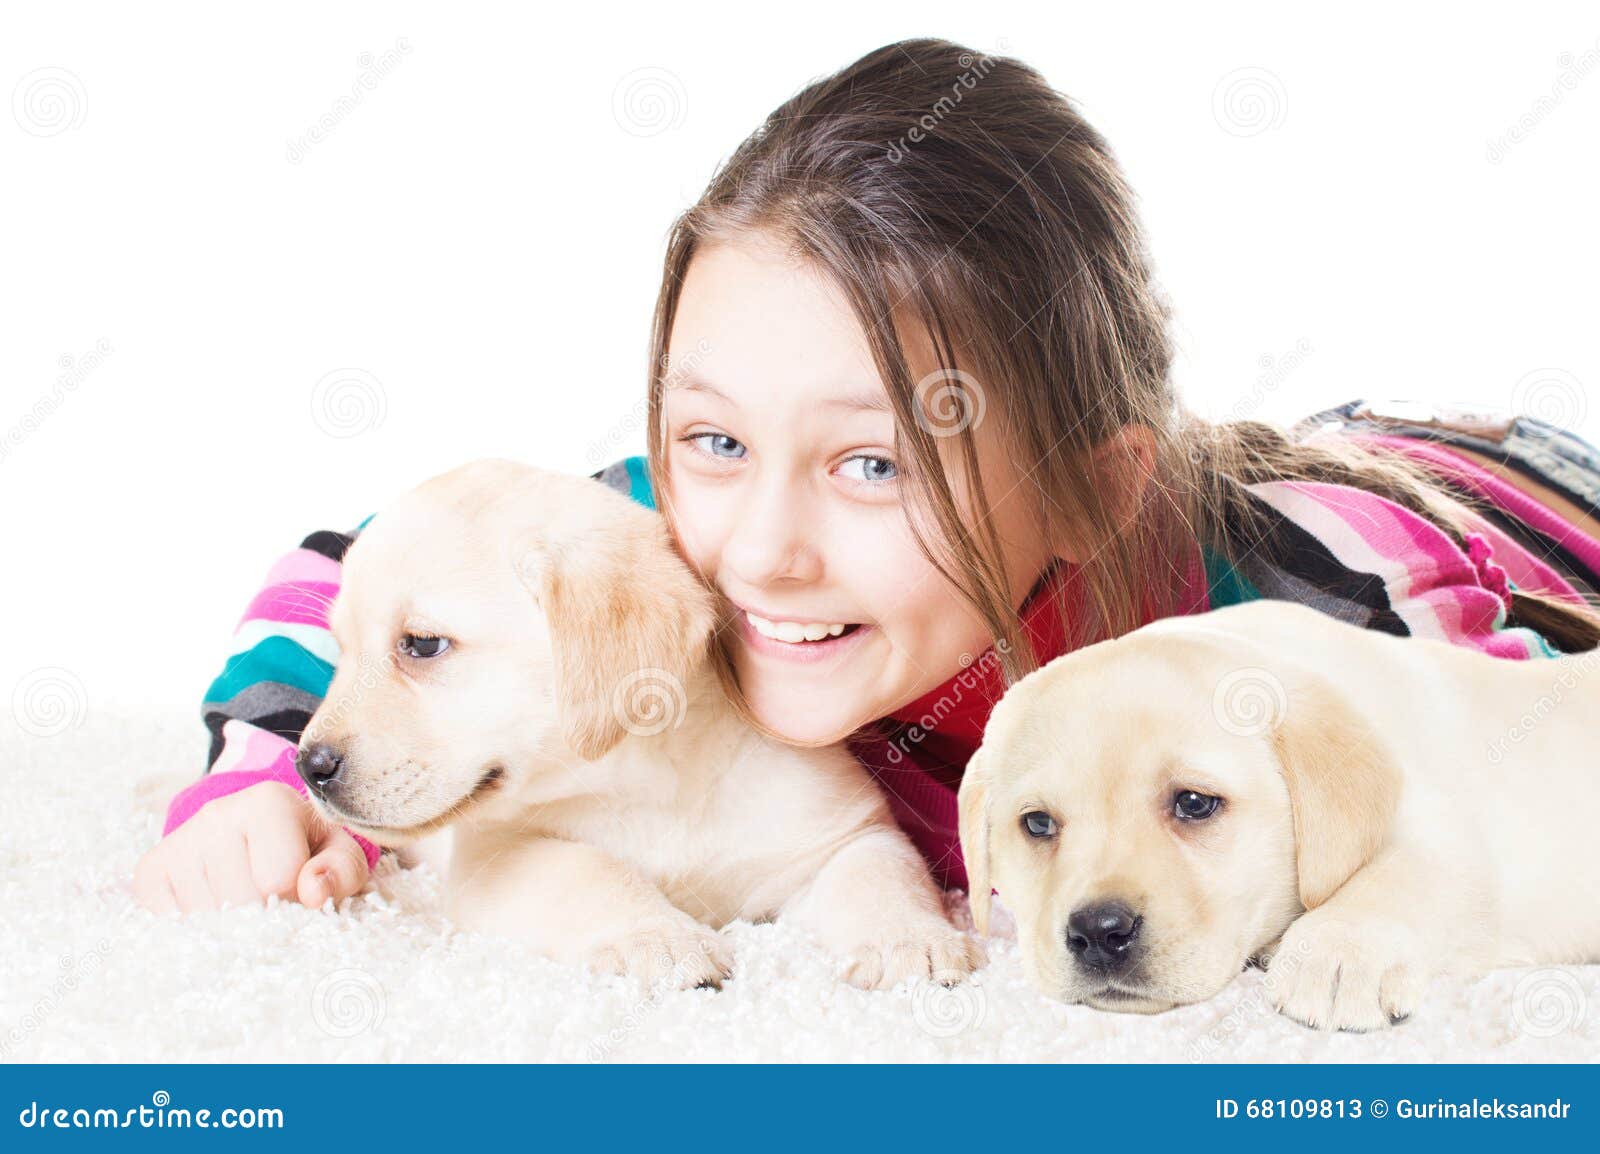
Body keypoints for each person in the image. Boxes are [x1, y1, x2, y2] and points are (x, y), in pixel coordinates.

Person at [134, 38, 1600, 914]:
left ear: (1085, 493)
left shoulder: (1297, 625)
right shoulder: (672, 546)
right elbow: (354, 558)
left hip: (1482, 496)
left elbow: (1535, 759)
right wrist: (258, 773)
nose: (761, 546)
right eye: (711, 436)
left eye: (873, 460)